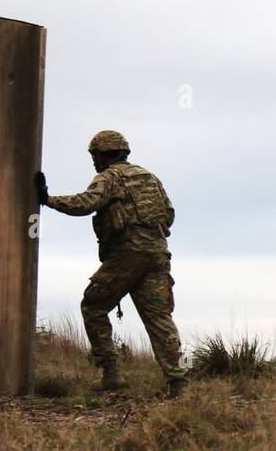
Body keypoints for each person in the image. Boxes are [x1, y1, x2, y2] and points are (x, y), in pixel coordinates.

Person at [34, 130, 187, 397]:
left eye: (94, 156)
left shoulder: (109, 177)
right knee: (160, 319)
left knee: (93, 306)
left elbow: (85, 203)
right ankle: (179, 383)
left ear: (103, 154)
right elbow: (169, 214)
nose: (94, 162)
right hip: (157, 254)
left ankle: (111, 373)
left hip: (127, 255)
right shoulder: (149, 177)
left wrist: (48, 200)